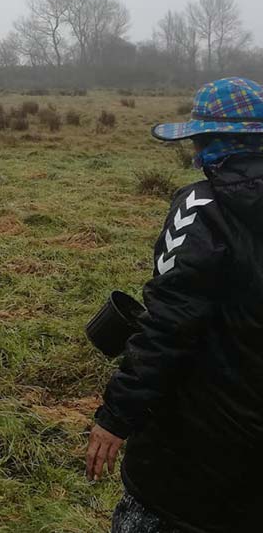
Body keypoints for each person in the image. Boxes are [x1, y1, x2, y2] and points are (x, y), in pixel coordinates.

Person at [87, 77, 263, 533]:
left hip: (188, 449)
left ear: (210, 142)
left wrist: (116, 416)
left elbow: (167, 327)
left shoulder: (201, 207)